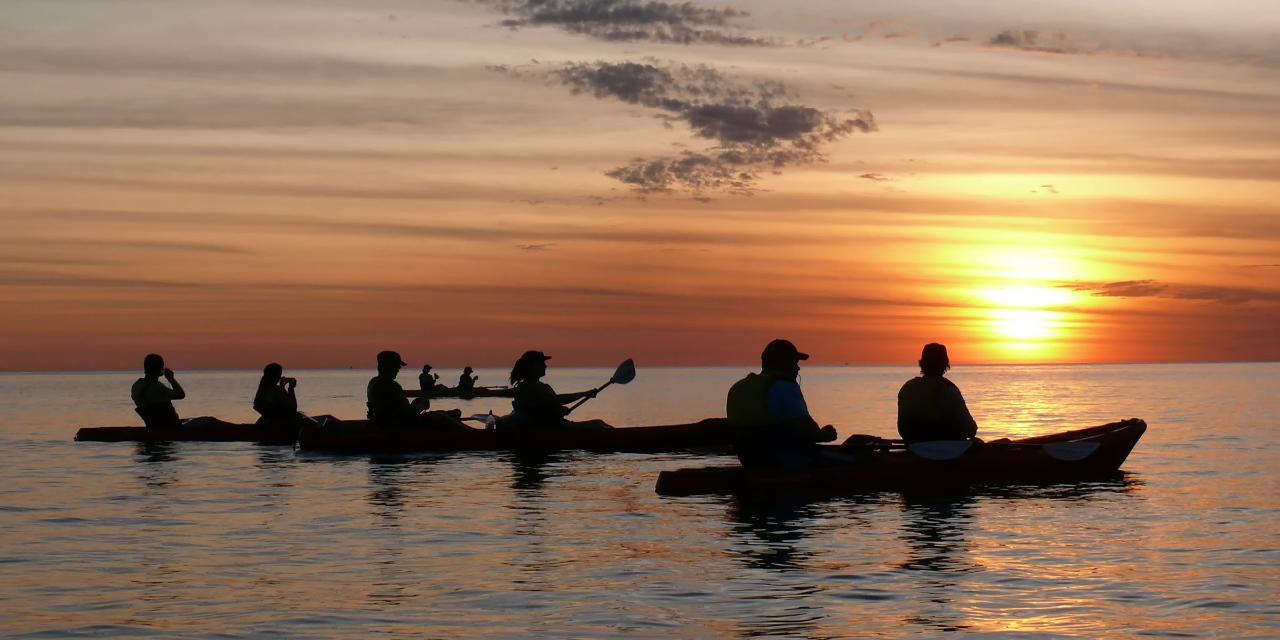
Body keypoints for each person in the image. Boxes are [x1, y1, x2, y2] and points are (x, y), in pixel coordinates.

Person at [726, 339, 837, 468]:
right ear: (784, 363)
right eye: (794, 362)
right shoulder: (785, 387)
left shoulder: (737, 388)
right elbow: (809, 430)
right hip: (784, 461)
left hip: (750, 461)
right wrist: (826, 434)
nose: (798, 367)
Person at [502, 350, 609, 429]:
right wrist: (584, 394)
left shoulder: (543, 386)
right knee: (598, 424)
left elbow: (547, 405)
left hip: (555, 425)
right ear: (533, 366)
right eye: (542, 363)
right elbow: (554, 400)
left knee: (599, 423)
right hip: (549, 429)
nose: (545, 366)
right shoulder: (527, 387)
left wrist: (561, 410)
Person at [897, 343, 978, 443]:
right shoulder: (950, 389)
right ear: (945, 364)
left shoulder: (908, 388)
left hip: (916, 447)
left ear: (922, 363)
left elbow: (902, 429)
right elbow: (970, 429)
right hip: (951, 448)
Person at [367, 351, 464, 429]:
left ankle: (448, 414)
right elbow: (408, 414)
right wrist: (421, 406)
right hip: (400, 426)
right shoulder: (391, 385)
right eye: (397, 366)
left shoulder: (373, 382)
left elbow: (394, 408)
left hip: (387, 422)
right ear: (389, 366)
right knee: (441, 417)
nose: (398, 369)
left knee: (445, 413)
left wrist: (415, 404)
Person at [131, 353, 186, 429]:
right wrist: (171, 379)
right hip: (171, 427)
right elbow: (181, 395)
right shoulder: (157, 388)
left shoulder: (136, 386)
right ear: (160, 368)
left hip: (152, 426)